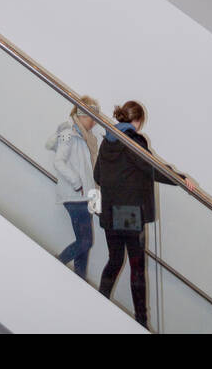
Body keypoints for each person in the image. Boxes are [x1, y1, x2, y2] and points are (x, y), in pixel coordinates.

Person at [95, 100, 195, 330]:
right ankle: (141, 322)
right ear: (137, 121)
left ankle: (98, 304)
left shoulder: (107, 141)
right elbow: (152, 168)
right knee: (137, 267)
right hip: (129, 212)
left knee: (114, 260)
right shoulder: (134, 140)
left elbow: (98, 175)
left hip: (110, 212)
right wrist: (180, 179)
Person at [46, 96, 100, 278]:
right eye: (91, 117)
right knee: (86, 242)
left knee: (84, 244)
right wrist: (77, 183)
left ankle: (79, 281)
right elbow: (59, 162)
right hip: (74, 195)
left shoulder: (86, 138)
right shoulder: (68, 133)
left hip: (85, 197)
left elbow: (89, 170)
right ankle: (58, 262)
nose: (94, 122)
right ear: (81, 115)